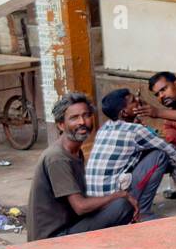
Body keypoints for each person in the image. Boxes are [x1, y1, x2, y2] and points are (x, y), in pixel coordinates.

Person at [28, 92, 137, 240]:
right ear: (61, 125)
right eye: (74, 118)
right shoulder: (57, 158)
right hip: (53, 239)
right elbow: (80, 207)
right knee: (121, 206)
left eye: (86, 115)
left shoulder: (75, 152)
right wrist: (119, 195)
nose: (82, 122)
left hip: (68, 225)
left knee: (114, 204)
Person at [86, 89, 176, 221]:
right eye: (133, 101)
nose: (138, 101)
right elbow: (171, 152)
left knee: (147, 151)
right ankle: (142, 212)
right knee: (159, 155)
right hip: (116, 200)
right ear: (124, 112)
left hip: (96, 202)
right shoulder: (136, 130)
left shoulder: (104, 128)